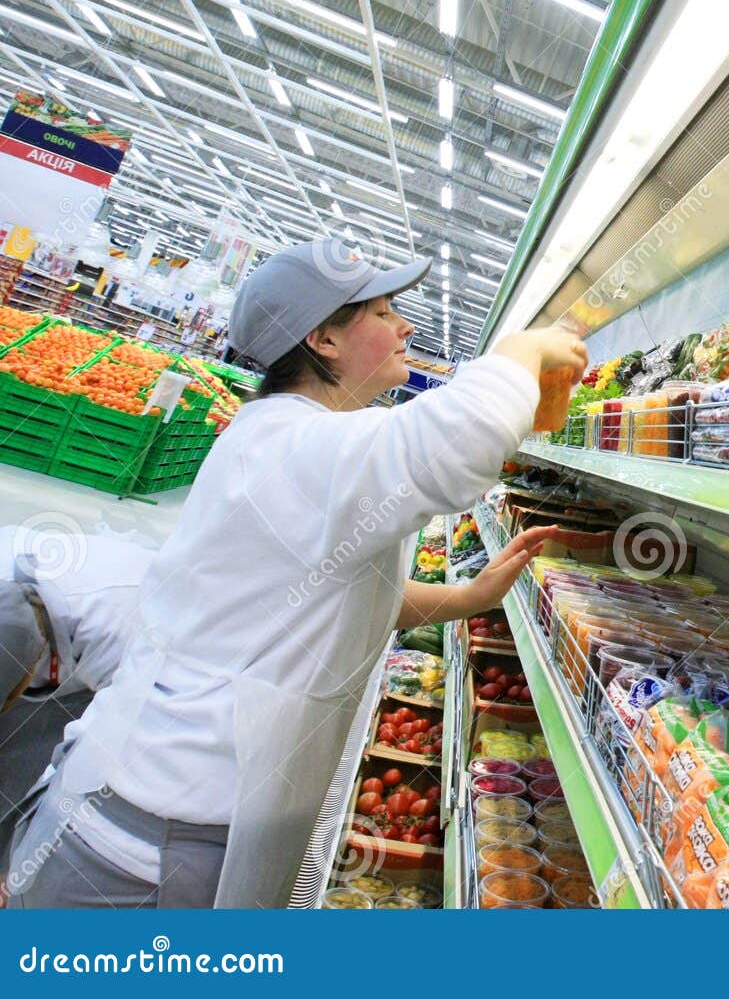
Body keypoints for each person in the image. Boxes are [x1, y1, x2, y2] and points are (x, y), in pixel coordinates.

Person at [5, 239, 586, 909]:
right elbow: (457, 444)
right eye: (384, 309)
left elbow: (331, 591)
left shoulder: (284, 436)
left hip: (154, 814)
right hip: (154, 848)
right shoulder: (295, 447)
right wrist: (520, 350)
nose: (406, 327)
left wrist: (466, 597)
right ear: (323, 338)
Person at [0, 530, 155, 862]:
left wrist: (27, 858)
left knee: (39, 764)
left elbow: (89, 760)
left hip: (113, 666)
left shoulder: (121, 629)